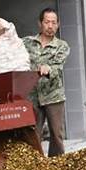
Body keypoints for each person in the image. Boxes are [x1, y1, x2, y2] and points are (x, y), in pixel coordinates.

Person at [24, 8, 70, 157]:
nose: (50, 26)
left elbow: (58, 67)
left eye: (53, 22)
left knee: (56, 133)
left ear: (58, 25)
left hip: (53, 95)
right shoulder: (27, 42)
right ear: (40, 23)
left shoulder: (62, 46)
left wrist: (48, 68)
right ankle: (36, 164)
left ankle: (57, 165)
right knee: (33, 133)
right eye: (47, 22)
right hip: (32, 95)